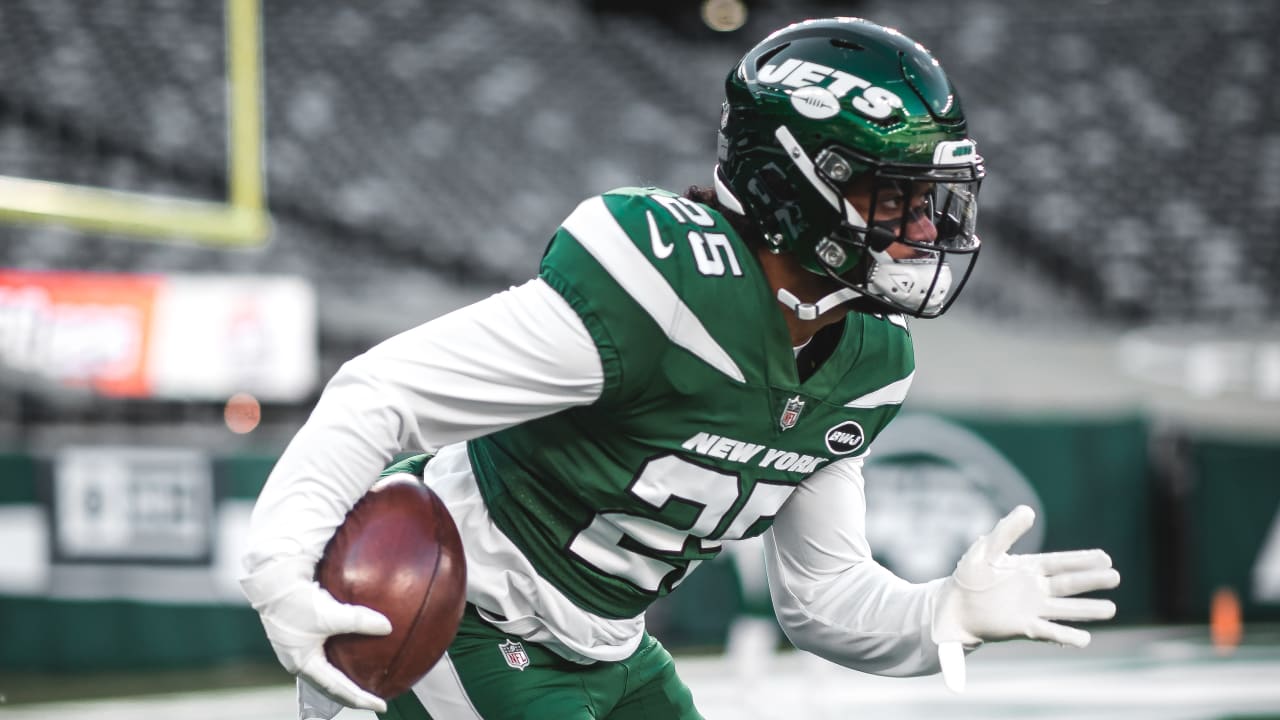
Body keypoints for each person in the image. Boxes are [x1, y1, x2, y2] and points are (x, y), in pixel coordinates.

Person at [240, 17, 1121, 720]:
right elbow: (384, 392)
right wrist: (281, 566)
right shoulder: (658, 283)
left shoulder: (868, 361)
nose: (927, 232)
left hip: (614, 647)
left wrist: (939, 616)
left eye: (932, 204)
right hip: (466, 617)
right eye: (895, 198)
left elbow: (821, 596)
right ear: (795, 182)